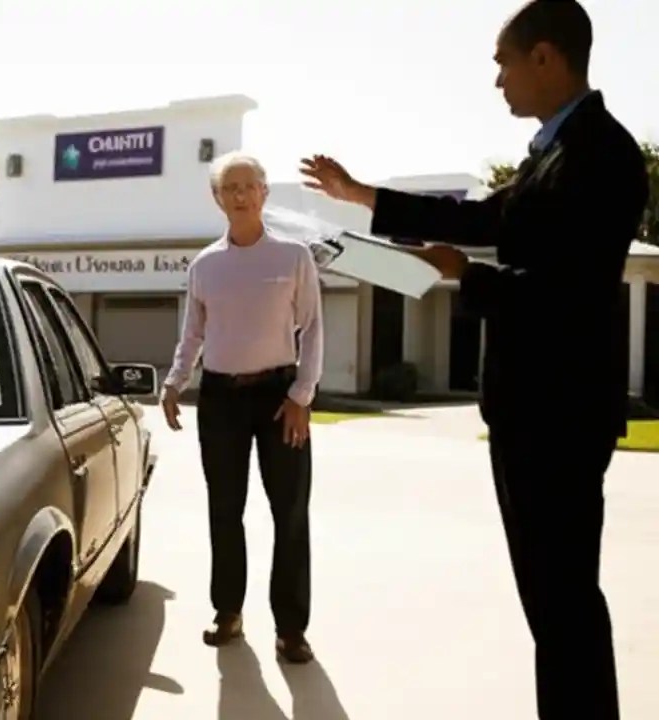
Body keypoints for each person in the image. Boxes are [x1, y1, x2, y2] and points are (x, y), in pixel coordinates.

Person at [299, 1, 649, 717]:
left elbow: (574, 293)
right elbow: (479, 219)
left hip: (560, 416)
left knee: (564, 603)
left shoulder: (601, 153)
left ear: (546, 58)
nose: (497, 81)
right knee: (552, 605)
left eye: (503, 63)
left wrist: (468, 273)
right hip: (531, 413)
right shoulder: (554, 150)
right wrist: (361, 195)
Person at [161, 151, 324, 663]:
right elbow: (193, 334)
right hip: (221, 400)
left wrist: (302, 395)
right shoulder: (205, 265)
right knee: (224, 510)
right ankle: (227, 612)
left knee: (290, 513)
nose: (240, 194)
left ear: (264, 193)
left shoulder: (293, 257)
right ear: (217, 198)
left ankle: (291, 629)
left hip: (280, 400)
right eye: (229, 187)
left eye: (249, 185)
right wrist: (173, 382)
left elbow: (314, 328)